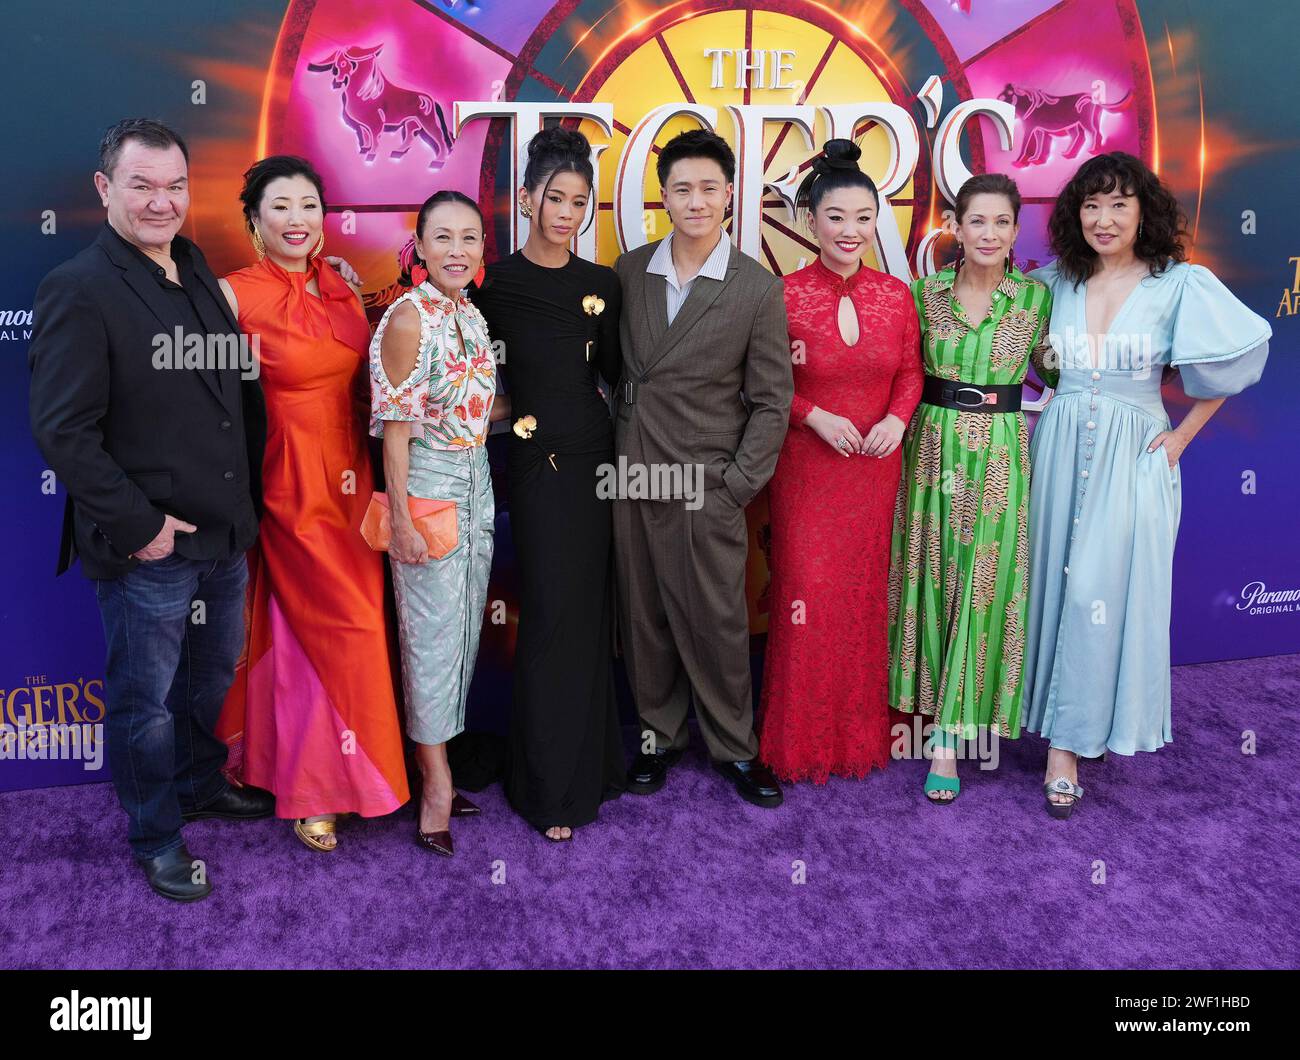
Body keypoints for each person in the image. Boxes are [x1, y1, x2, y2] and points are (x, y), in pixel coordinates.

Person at [27, 118, 273, 901]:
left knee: (207, 681)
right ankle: (156, 834)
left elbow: (229, 391)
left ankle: (200, 784)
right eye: (142, 186)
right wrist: (142, 528)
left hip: (223, 535)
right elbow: (63, 431)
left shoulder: (194, 266)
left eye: (174, 186)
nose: (161, 202)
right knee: (145, 705)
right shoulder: (78, 288)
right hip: (149, 548)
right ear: (106, 188)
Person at [1024, 152, 1270, 817]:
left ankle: (1067, 748)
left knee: (1098, 595)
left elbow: (1241, 354)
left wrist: (1181, 439)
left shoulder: (1179, 284)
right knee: (1056, 588)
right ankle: (1071, 729)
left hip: (1134, 455)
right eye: (1091, 205)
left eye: (1118, 204)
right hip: (1058, 449)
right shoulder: (1052, 283)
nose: (1103, 219)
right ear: (1075, 215)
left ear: (1143, 212)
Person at [214, 155, 410, 851]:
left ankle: (311, 770)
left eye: (308, 205)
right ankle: (319, 787)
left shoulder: (343, 286)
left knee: (338, 625)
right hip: (288, 478)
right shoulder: (232, 295)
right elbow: (205, 401)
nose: (297, 220)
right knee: (329, 623)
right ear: (254, 221)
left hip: (352, 473)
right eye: (280, 207)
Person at [614, 128, 793, 807]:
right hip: (634, 471)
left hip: (707, 481)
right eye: (682, 188)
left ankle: (735, 747)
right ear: (663, 196)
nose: (696, 201)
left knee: (717, 619)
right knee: (644, 615)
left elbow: (772, 402)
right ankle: (657, 738)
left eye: (708, 188)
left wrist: (737, 486)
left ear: (729, 195)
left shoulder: (755, 288)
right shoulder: (629, 271)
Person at [473, 127, 626, 841]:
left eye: (579, 201)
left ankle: (593, 766)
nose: (567, 213)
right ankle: (546, 787)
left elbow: (617, 377)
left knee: (590, 613)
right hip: (536, 466)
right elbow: (468, 377)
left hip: (597, 462)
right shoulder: (494, 285)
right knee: (548, 614)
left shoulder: (604, 284)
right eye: (555, 198)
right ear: (528, 198)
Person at [887, 173, 1056, 804]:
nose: (989, 233)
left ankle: (950, 739)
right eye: (976, 221)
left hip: (1001, 455)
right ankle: (930, 716)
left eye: (1001, 222)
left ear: (1016, 230)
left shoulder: (1035, 300)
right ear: (955, 227)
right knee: (935, 579)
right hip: (932, 447)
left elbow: (1060, 373)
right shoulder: (924, 294)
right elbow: (900, 373)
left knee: (986, 584)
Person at [757, 139, 922, 782]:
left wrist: (896, 420)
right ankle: (799, 743)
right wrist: (814, 416)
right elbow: (763, 383)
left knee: (863, 598)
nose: (850, 230)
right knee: (805, 593)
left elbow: (910, 372)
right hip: (806, 470)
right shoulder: (781, 295)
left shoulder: (897, 295)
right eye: (835, 217)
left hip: (874, 471)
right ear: (809, 220)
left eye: (863, 217)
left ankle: (858, 738)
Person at [370, 190, 506, 856]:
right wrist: (401, 520)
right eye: (443, 238)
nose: (457, 251)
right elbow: (395, 434)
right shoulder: (409, 318)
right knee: (428, 642)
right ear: (419, 247)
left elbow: (478, 409)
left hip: (477, 484)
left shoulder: (470, 314)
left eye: (469, 238)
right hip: (427, 488)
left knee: (461, 638)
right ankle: (435, 787)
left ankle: (440, 764)